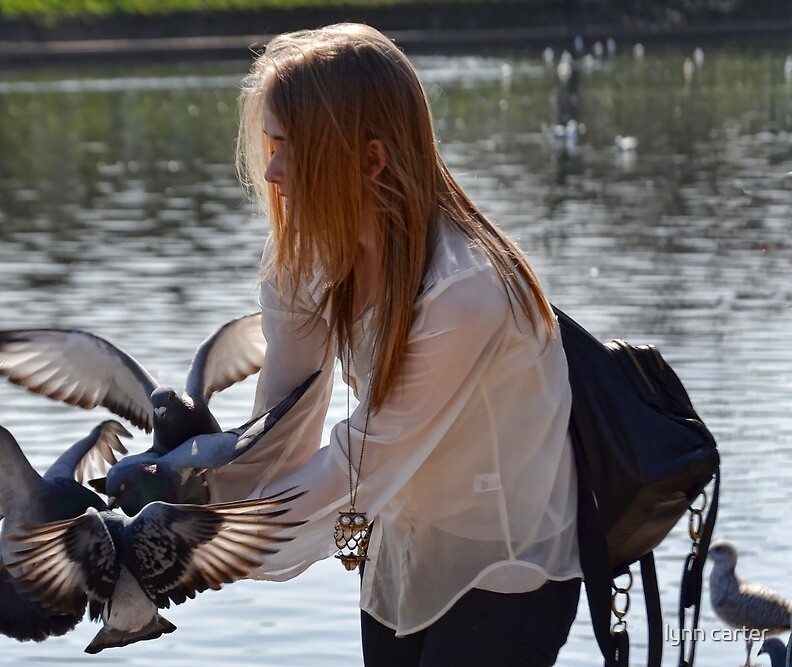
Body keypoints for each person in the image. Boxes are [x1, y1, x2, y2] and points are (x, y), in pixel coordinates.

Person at [201, 22, 582, 666]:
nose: (271, 170)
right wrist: (189, 494)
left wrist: (200, 542)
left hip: (506, 571)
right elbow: (280, 428)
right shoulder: (314, 258)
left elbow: (357, 463)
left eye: (290, 148)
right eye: (269, 144)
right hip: (401, 558)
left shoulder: (465, 291)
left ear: (371, 160)